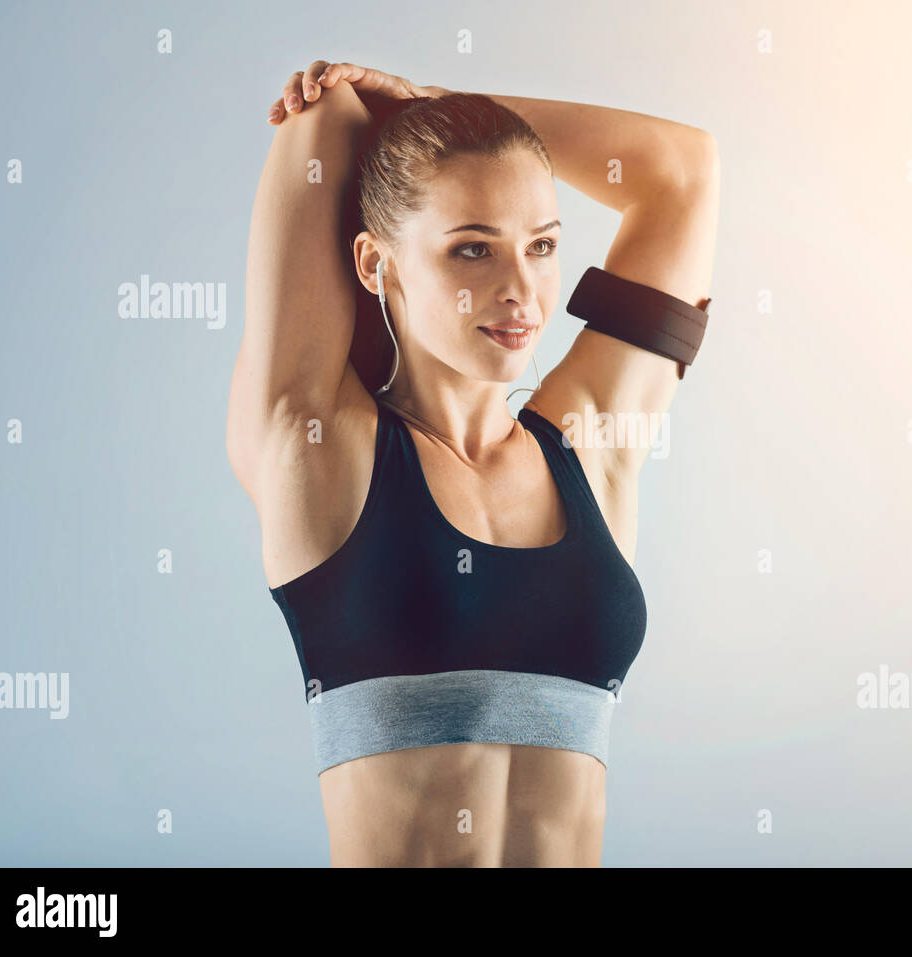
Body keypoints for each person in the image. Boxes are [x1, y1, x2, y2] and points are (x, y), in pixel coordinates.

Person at [226, 60, 719, 866]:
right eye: (471, 251)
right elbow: (328, 113)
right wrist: (385, 113)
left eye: (542, 246)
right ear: (375, 264)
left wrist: (434, 103)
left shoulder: (591, 449)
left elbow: (683, 173)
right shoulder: (319, 448)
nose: (522, 291)